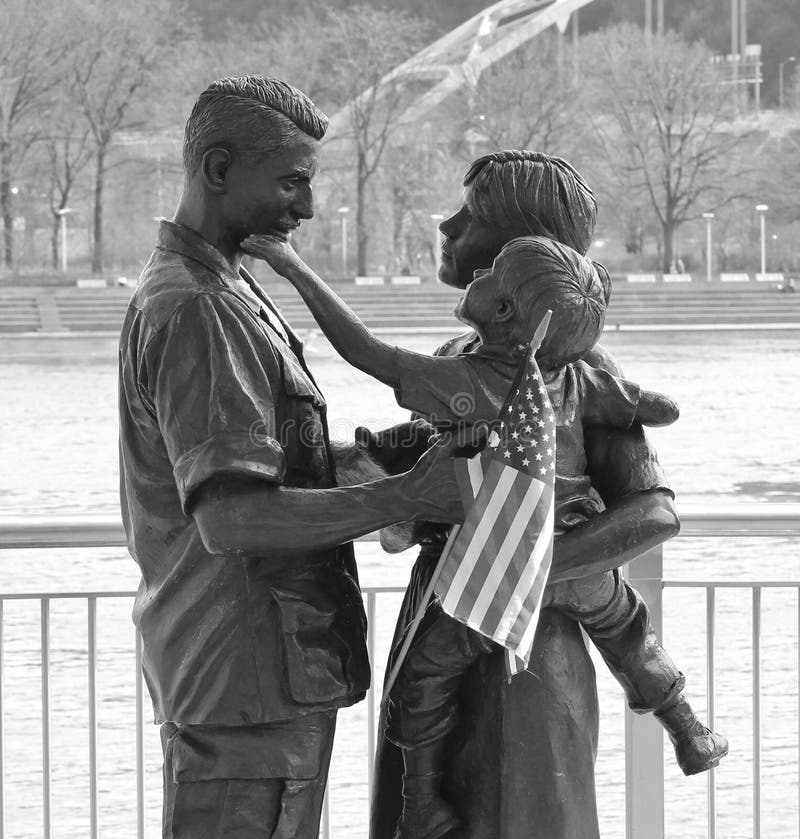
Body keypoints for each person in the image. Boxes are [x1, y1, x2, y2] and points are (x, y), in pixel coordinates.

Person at [242, 231, 728, 838]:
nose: (474, 265)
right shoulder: (578, 378)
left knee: (423, 680)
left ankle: (420, 803)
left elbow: (366, 352)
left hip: (500, 569)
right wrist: (652, 406)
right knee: (627, 627)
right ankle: (686, 728)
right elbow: (650, 406)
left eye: (491, 269)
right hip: (580, 565)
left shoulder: (473, 382)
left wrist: (292, 266)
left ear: (502, 312)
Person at [117, 75, 471, 839]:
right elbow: (234, 518)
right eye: (291, 181)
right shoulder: (201, 308)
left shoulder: (225, 288)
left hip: (260, 678)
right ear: (217, 169)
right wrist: (408, 496)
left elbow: (275, 470)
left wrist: (386, 456)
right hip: (245, 681)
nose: (306, 207)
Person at [356, 150, 687, 839]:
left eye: (468, 216)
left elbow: (653, 509)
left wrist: (523, 567)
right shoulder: (466, 358)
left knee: (515, 811)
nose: (446, 226)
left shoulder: (576, 368)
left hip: (529, 653)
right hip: (448, 600)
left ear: (517, 252)